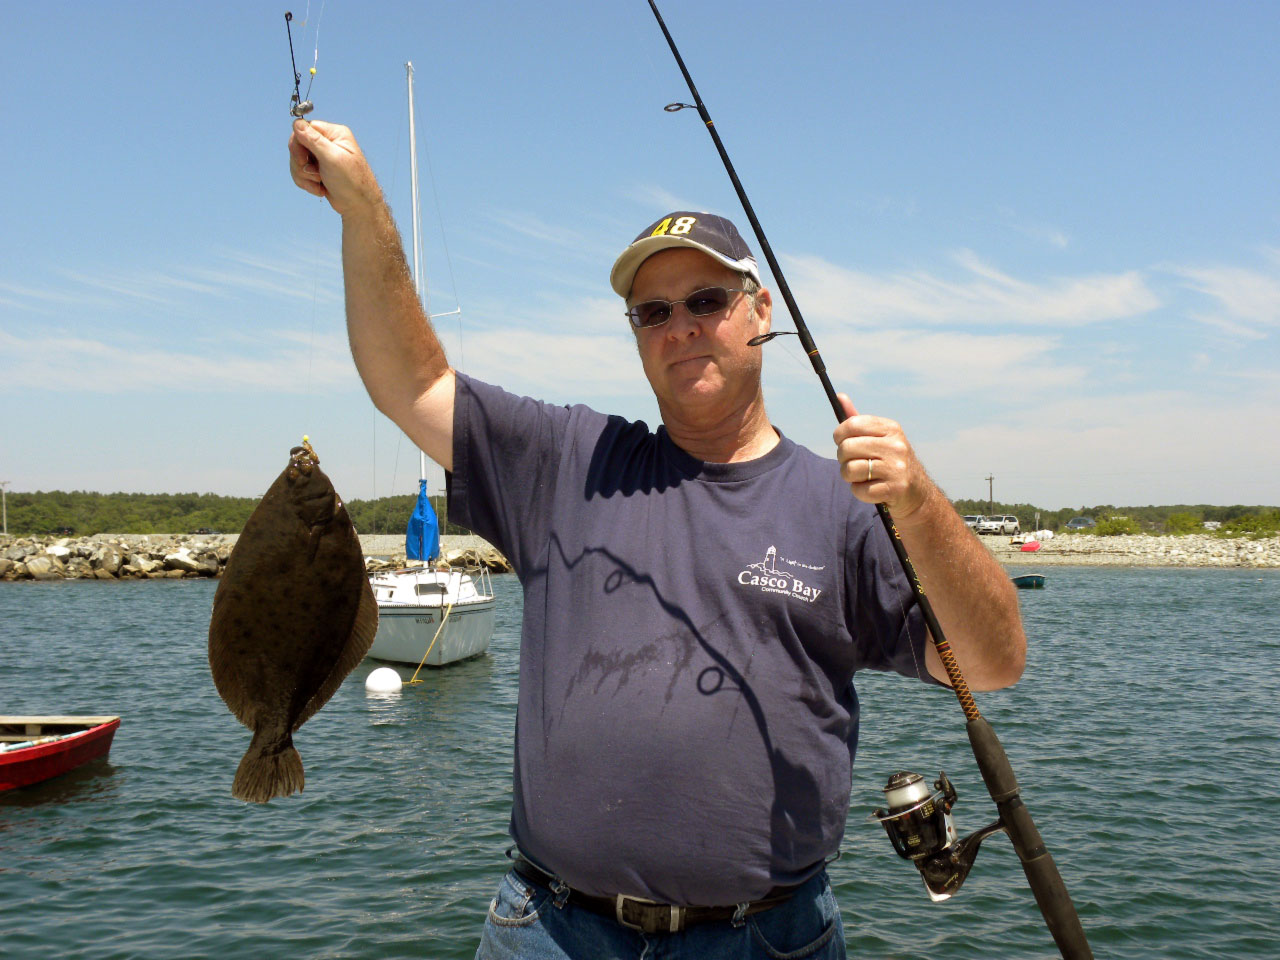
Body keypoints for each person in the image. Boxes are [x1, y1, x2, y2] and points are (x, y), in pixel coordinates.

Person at [289, 117, 1027, 960]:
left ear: (760, 311)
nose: (680, 326)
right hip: (551, 930)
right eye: (652, 311)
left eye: (707, 301)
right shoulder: (569, 461)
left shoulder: (846, 508)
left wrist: (920, 502)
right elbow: (411, 379)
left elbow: (995, 660)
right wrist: (364, 210)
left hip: (766, 938)